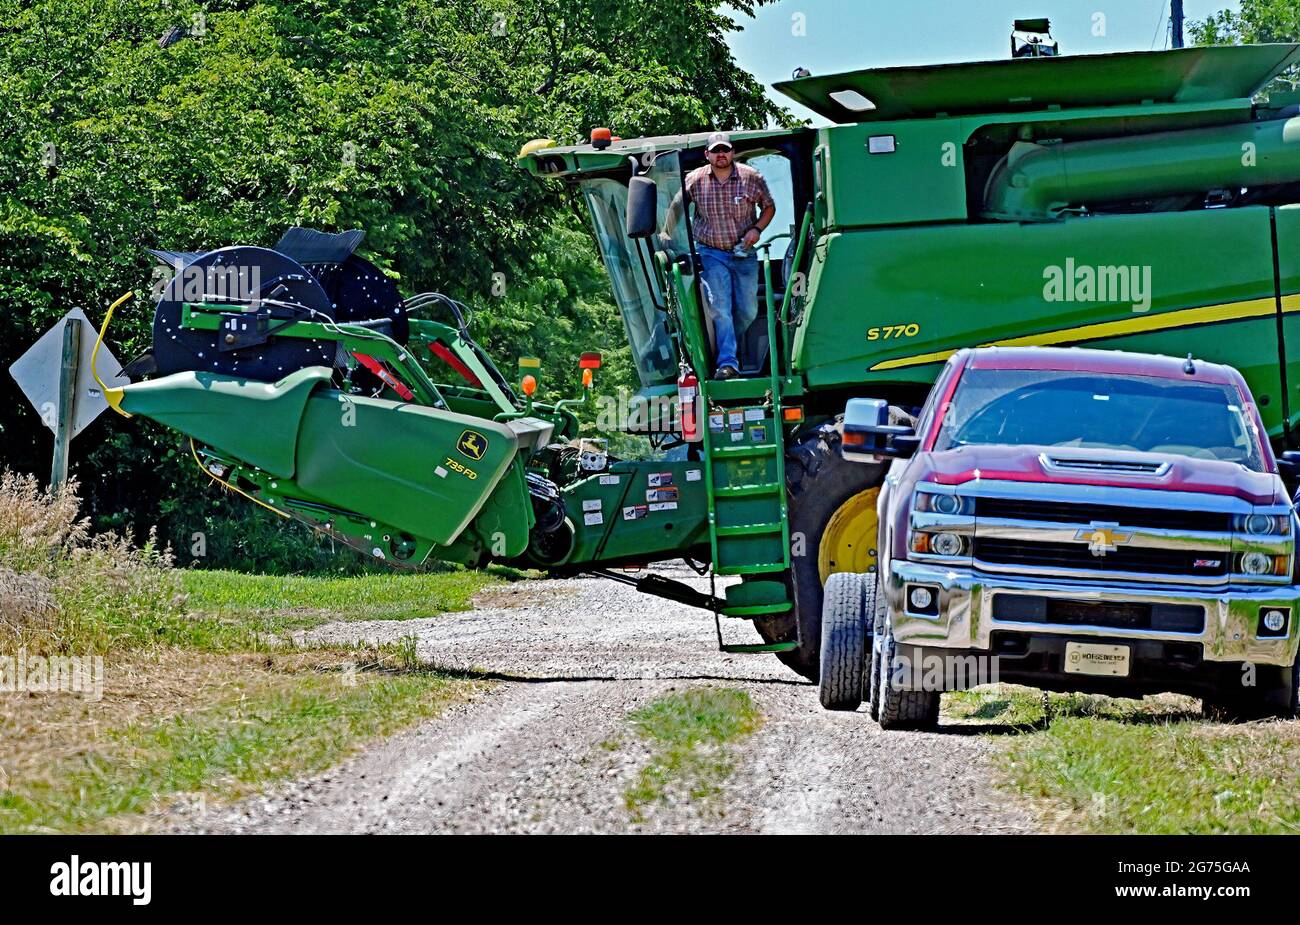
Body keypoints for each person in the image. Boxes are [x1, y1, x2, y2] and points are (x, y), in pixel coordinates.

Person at [674, 132, 776, 379]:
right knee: (720, 307)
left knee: (747, 309)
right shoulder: (694, 180)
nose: (721, 155)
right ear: (707, 154)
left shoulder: (751, 178)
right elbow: (676, 207)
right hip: (710, 252)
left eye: (725, 150)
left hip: (743, 254)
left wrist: (756, 229)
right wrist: (667, 234)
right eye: (716, 150)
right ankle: (727, 362)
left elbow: (769, 207)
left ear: (732, 153)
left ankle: (724, 345)